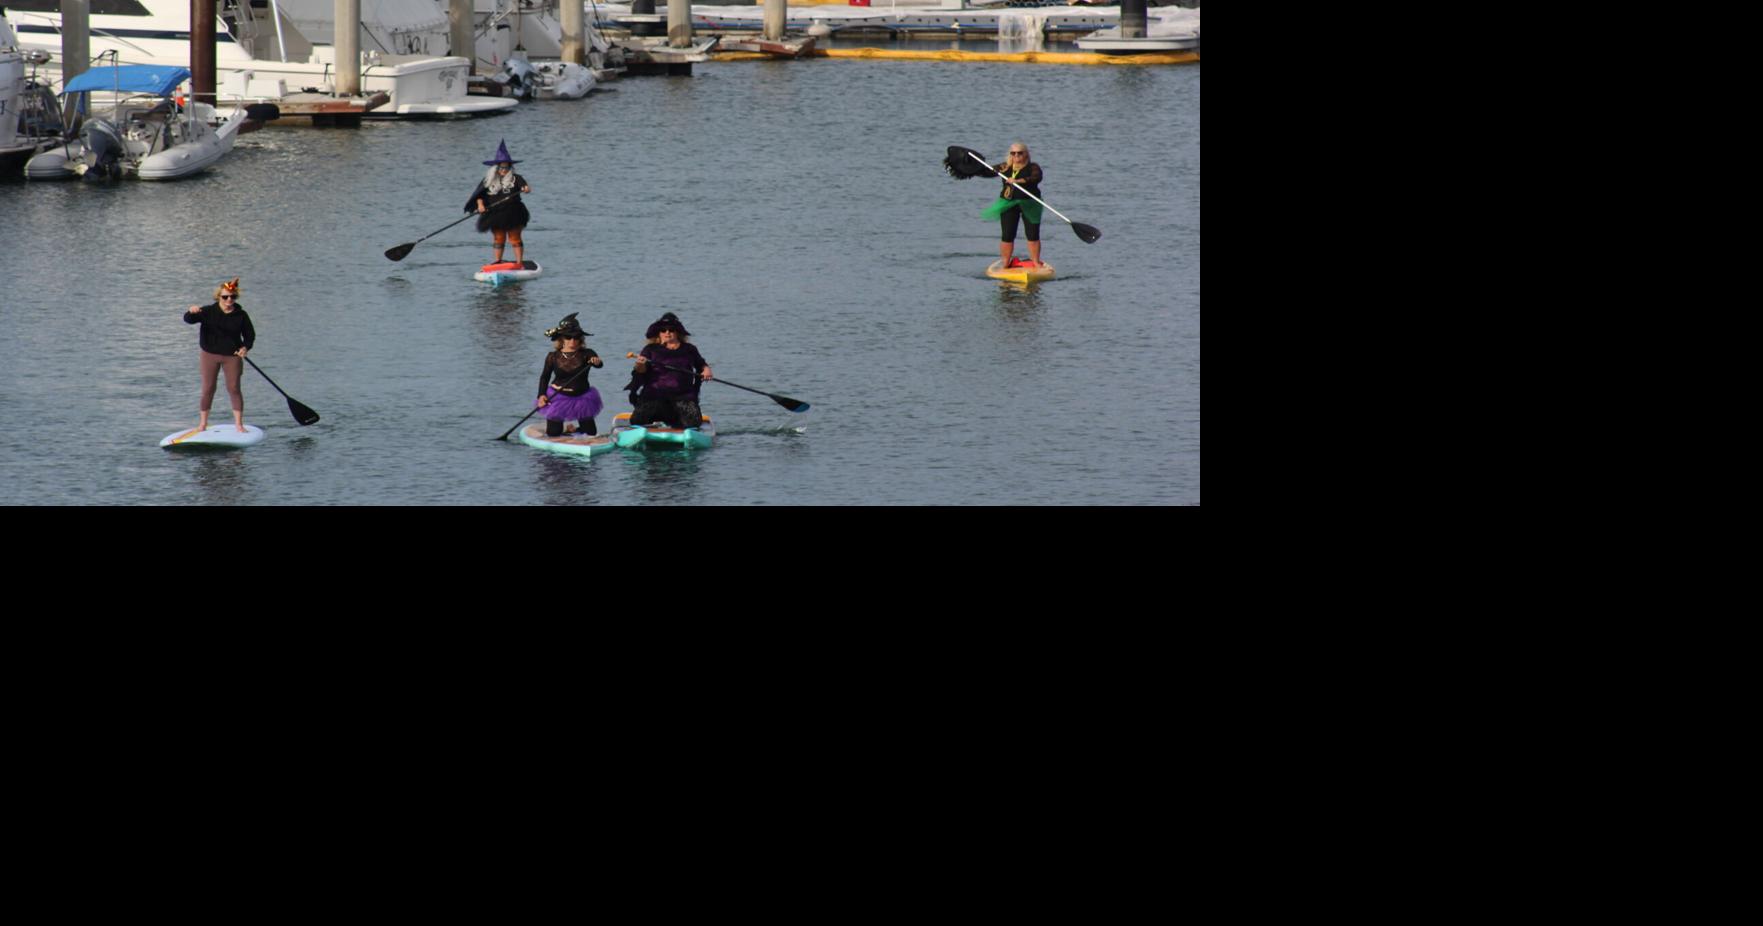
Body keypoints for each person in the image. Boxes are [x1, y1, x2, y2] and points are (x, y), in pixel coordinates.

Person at [182, 277, 255, 433]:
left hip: (232, 356)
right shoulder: (207, 312)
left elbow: (250, 335)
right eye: (225, 297)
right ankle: (202, 424)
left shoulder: (241, 315)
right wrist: (191, 311)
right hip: (209, 355)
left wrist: (245, 347)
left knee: (234, 388)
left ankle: (239, 425)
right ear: (218, 297)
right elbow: (188, 320)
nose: (229, 300)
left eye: (232, 297)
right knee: (208, 388)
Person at [626, 312, 713, 430]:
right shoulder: (650, 349)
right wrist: (639, 364)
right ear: (659, 333)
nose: (667, 332)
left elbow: (701, 365)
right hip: (654, 397)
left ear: (677, 332)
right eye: (663, 330)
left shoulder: (689, 349)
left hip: (683, 398)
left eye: (671, 329)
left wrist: (706, 370)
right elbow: (640, 371)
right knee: (637, 420)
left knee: (694, 422)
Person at [464, 139, 533, 267]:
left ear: (510, 168)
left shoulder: (517, 178)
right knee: (499, 238)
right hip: (495, 213)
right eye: (501, 167)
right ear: (496, 168)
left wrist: (526, 189)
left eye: (506, 167)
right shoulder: (488, 180)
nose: (503, 170)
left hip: (514, 212)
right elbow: (479, 195)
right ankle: (497, 261)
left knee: (514, 238)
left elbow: (526, 188)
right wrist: (480, 205)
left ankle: (519, 263)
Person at [535, 313, 604, 437]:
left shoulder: (587, 353)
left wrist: (596, 361)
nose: (572, 341)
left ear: (580, 339)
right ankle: (566, 431)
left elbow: (599, 364)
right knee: (553, 433)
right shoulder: (552, 356)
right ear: (561, 338)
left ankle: (573, 431)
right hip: (557, 397)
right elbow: (544, 377)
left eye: (576, 337)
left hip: (582, 398)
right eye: (568, 337)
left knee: (591, 433)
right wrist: (541, 395)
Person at [983, 141, 1046, 268]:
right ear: (1010, 154)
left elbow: (1036, 177)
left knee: (1033, 234)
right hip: (1008, 203)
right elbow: (987, 172)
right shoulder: (1005, 167)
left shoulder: (1033, 167)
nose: (1016, 156)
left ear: (1026, 154)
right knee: (1007, 235)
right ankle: (1005, 263)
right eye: (1013, 153)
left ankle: (1035, 262)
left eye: (1019, 153)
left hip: (1030, 203)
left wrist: (1018, 181)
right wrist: (971, 165)